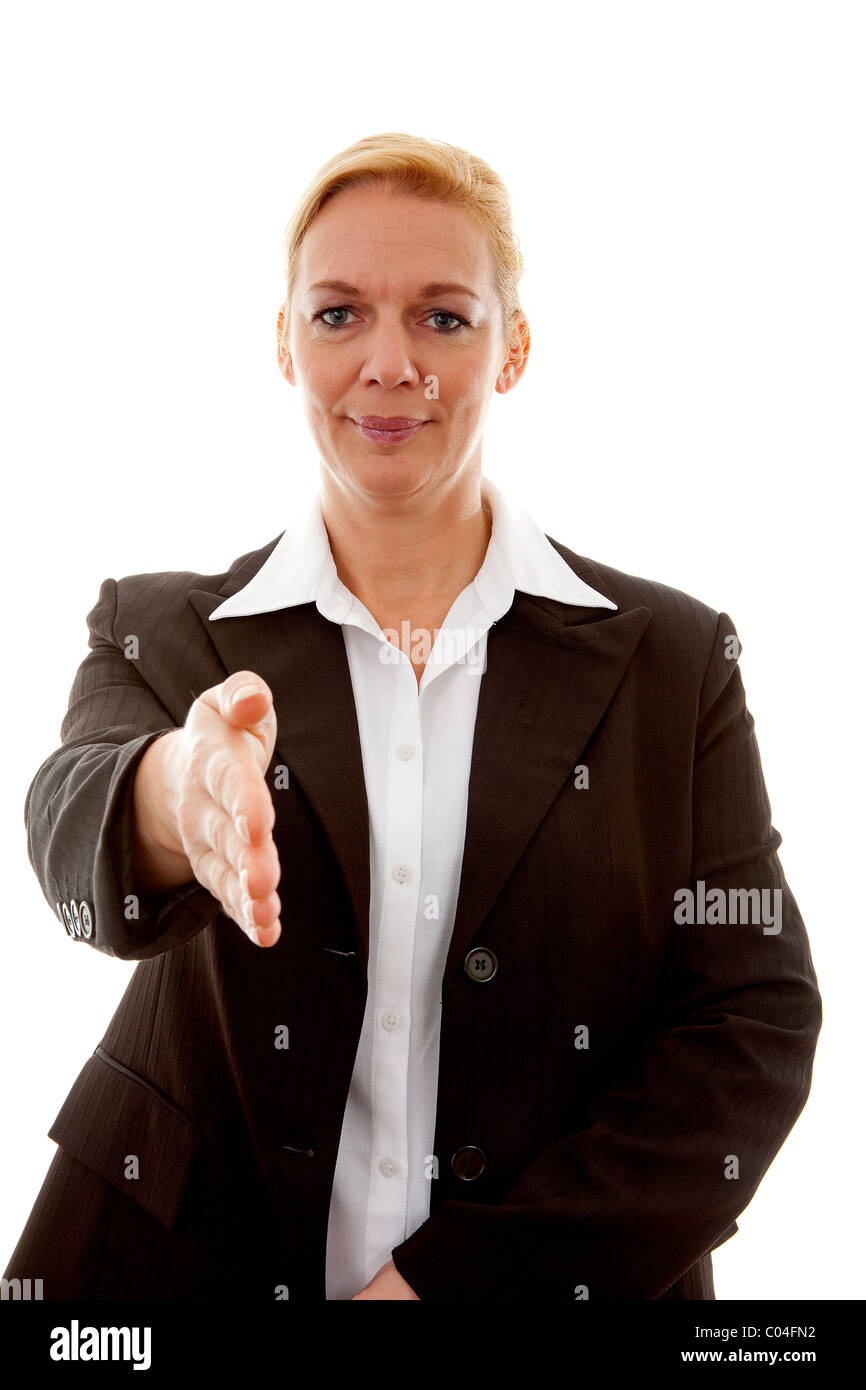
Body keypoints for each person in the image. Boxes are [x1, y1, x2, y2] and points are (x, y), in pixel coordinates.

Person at [4, 132, 821, 1301]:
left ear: (513, 347)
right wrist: (175, 790)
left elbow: (750, 1016)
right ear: (283, 343)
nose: (389, 363)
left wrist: (456, 1288)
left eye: (442, 317)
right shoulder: (160, 627)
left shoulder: (671, 658)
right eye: (337, 315)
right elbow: (70, 823)